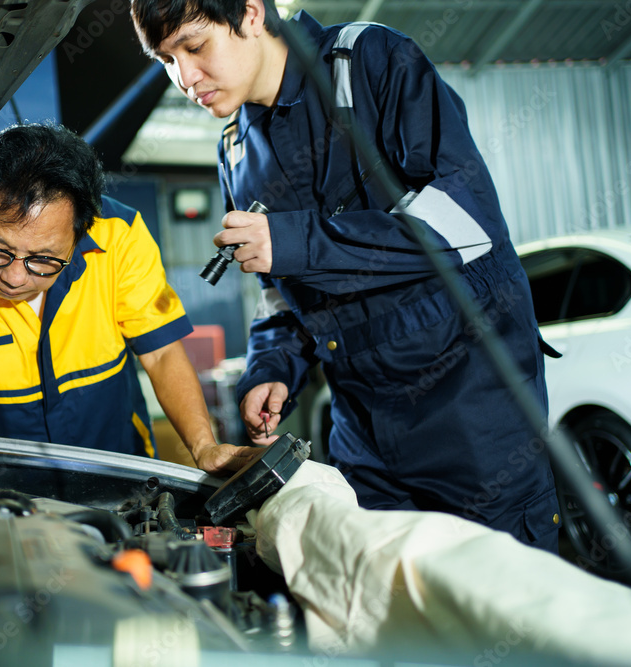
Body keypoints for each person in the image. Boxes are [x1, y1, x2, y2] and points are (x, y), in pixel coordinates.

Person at [131, 0, 560, 549]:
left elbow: (464, 223)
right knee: (382, 608)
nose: (184, 78)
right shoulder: (236, 152)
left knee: (505, 607)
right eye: (167, 60)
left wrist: (295, 241)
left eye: (195, 47)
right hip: (363, 432)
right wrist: (273, 367)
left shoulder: (370, 62)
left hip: (472, 416)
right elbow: (281, 299)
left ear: (254, 14)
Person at [0, 123, 256, 474]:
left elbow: (161, 353)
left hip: (120, 470)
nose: (15, 277)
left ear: (81, 230)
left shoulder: (120, 237)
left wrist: (204, 447)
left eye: (44, 260)